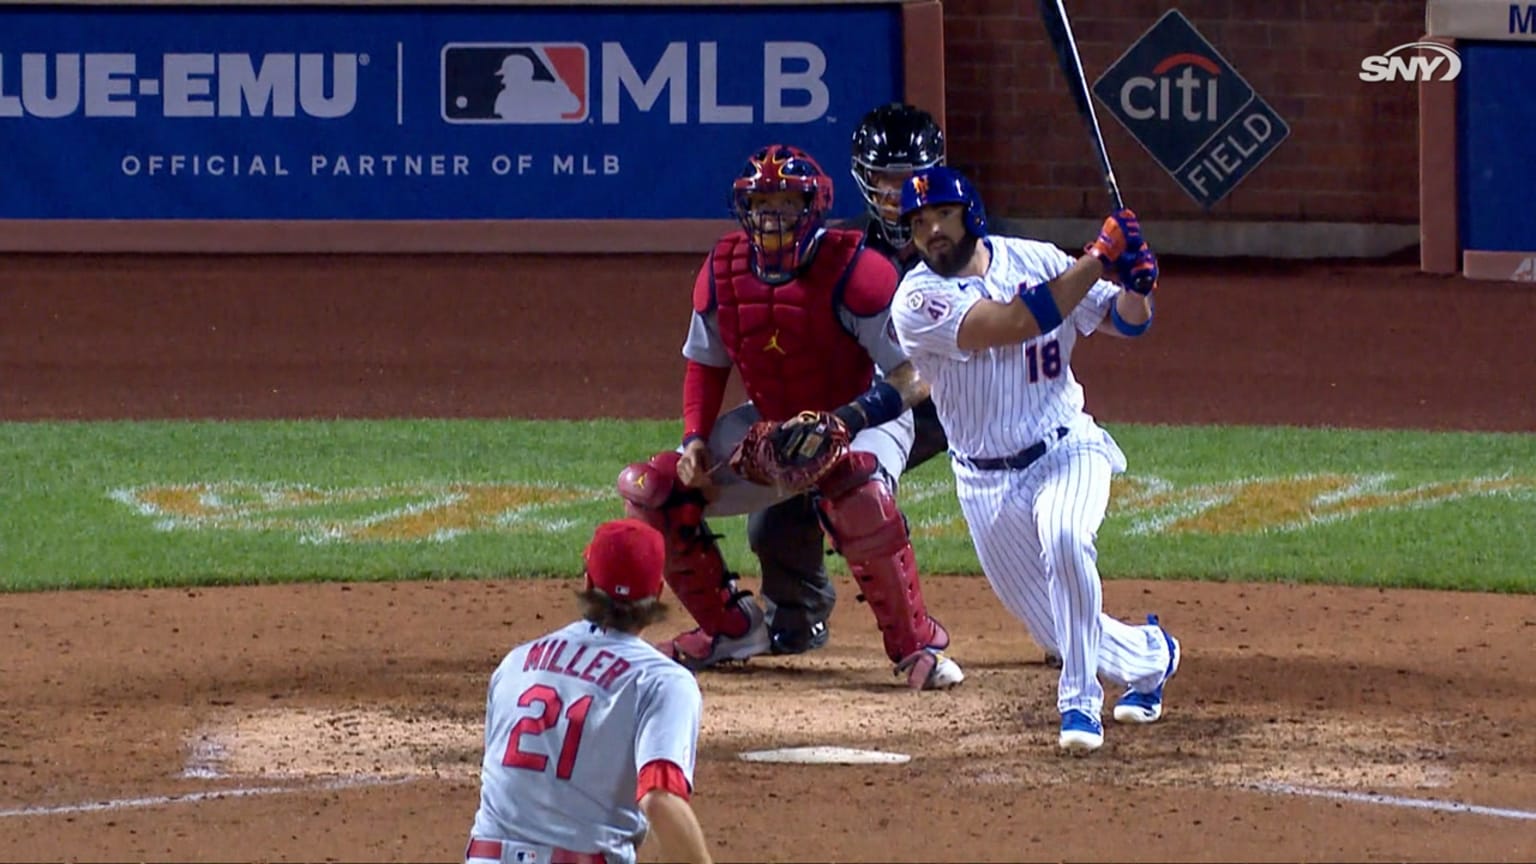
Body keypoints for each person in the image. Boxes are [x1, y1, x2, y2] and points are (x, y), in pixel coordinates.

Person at [616, 143, 964, 690]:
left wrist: (847, 420)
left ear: (814, 207)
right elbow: (705, 366)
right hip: (772, 423)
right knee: (653, 489)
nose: (771, 216)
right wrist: (694, 440)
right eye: (761, 204)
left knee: (860, 489)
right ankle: (732, 628)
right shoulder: (722, 272)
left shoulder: (857, 272)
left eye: (785, 203)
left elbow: (913, 375)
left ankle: (914, 645)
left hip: (863, 414)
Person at [888, 165, 1180, 753]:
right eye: (919, 223)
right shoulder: (917, 300)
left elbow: (1124, 321)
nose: (932, 231)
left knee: (1066, 534)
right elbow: (1016, 323)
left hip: (1066, 446)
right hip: (984, 484)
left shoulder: (1037, 260)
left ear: (969, 214)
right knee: (1064, 628)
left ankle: (1078, 703)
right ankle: (1153, 656)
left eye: (941, 215)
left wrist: (1139, 287)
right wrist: (1100, 256)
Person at [848, 102, 1064, 669]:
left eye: (907, 180)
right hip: (879, 401)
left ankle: (1057, 611)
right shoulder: (848, 256)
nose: (898, 195)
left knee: (1020, 490)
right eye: (885, 181)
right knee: (804, 487)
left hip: (948, 406)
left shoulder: (973, 249)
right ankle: (794, 615)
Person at [465, 519, 713, 864]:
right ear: (657, 592)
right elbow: (659, 798)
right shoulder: (662, 681)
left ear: (587, 582)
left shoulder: (516, 663)